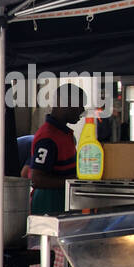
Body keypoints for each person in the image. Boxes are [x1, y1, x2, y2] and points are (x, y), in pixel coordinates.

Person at [29, 84, 87, 215]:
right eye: (80, 105)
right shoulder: (48, 137)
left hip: (61, 202)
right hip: (48, 205)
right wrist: (74, 182)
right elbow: (36, 179)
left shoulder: (63, 134)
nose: (82, 110)